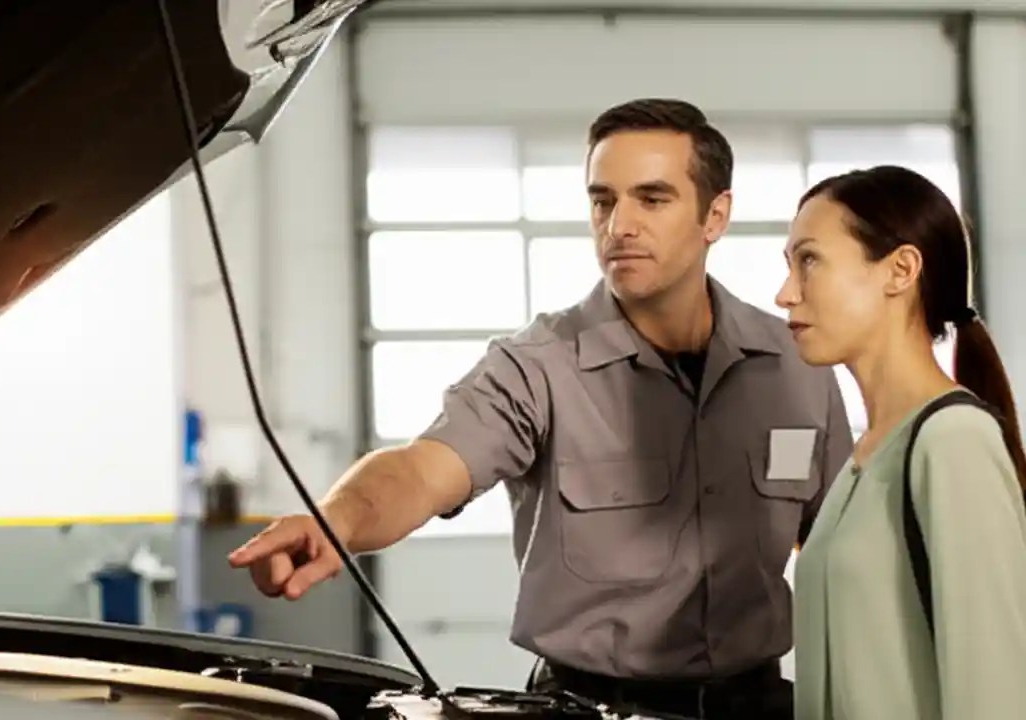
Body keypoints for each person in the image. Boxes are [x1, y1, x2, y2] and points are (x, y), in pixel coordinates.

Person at [228, 98, 852, 719]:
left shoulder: (795, 364)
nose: (619, 226)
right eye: (602, 200)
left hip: (759, 706)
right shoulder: (539, 365)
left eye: (652, 199)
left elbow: (841, 550)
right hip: (585, 707)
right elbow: (422, 470)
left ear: (715, 215)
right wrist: (336, 519)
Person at [780, 165, 1026, 719]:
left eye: (809, 261)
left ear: (901, 269)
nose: (785, 293)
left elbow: (995, 693)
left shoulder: (954, 441)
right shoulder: (863, 456)